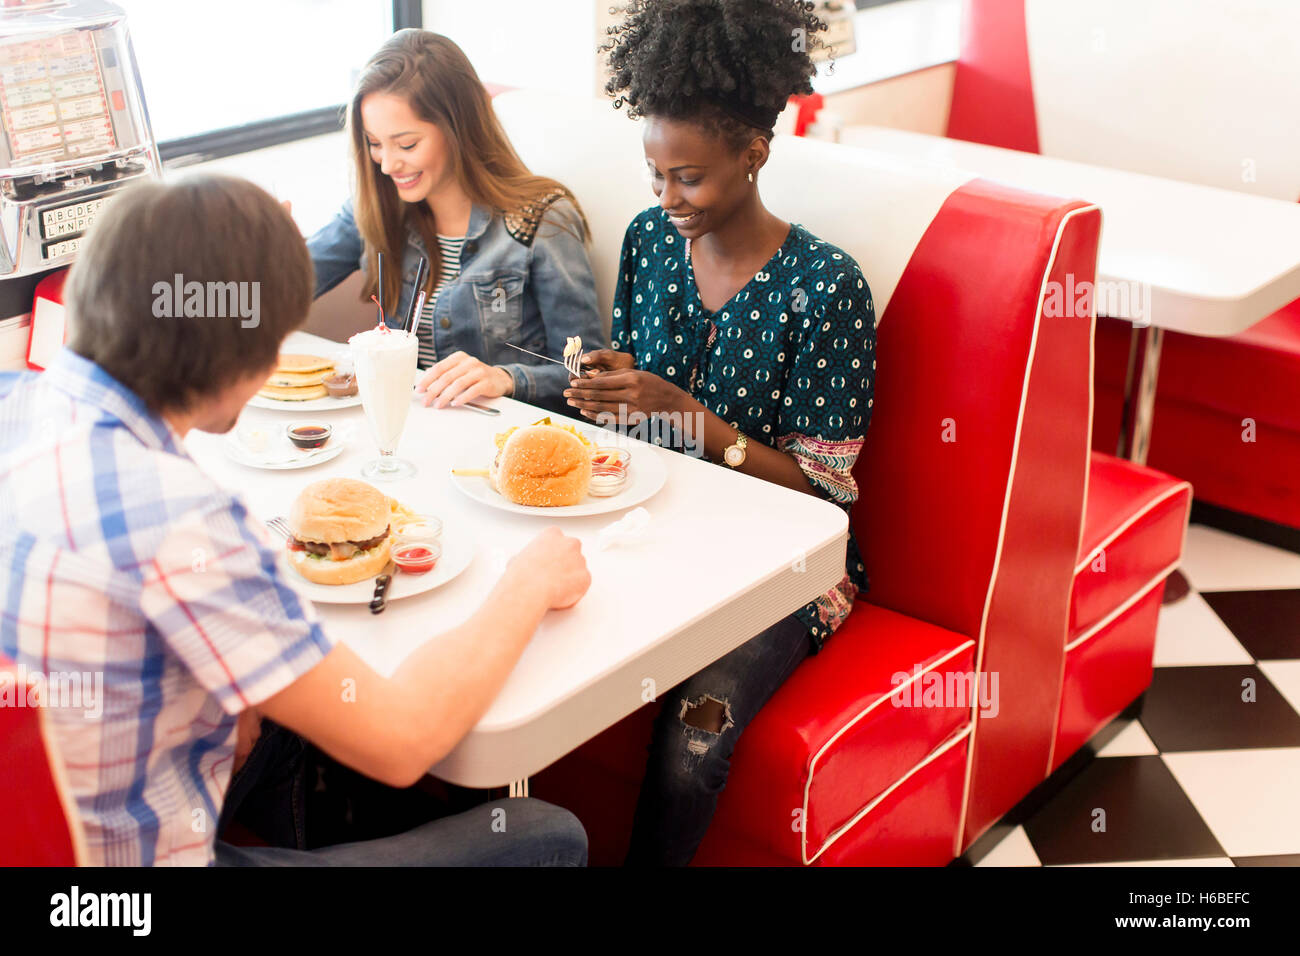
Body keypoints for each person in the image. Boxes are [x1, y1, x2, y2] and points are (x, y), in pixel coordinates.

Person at [0, 174, 591, 867]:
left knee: (294, 730)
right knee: (548, 837)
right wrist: (526, 583)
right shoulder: (183, 519)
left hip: (51, 828)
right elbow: (404, 740)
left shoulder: (18, 403)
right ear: (249, 357)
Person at [565, 0, 876, 865]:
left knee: (693, 736)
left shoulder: (827, 288)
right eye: (655, 176)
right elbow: (632, 408)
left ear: (753, 154)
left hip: (787, 565)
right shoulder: (650, 242)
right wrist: (605, 393)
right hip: (652, 524)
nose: (667, 200)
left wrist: (689, 419)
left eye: (689, 178)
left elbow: (826, 498)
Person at [307, 28, 605, 415]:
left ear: (458, 127)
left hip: (498, 440)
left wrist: (506, 377)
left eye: (407, 144)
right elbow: (286, 283)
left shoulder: (542, 221)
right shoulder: (377, 206)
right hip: (405, 428)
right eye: (374, 143)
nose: (387, 164)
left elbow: (589, 373)